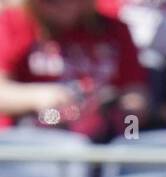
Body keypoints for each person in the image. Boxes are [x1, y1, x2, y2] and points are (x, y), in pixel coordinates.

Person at [0, 0, 147, 136]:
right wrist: (38, 97)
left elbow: (136, 95)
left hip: (101, 139)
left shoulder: (115, 29)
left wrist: (122, 118)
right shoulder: (13, 22)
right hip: (32, 138)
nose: (65, 4)